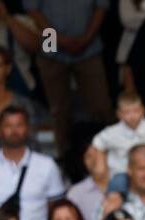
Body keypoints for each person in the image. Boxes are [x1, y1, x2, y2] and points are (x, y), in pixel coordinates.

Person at [24, 0, 112, 158]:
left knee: (101, 106)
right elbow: (32, 10)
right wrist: (58, 39)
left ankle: (108, 155)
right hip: (49, 43)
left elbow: (102, 7)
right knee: (53, 109)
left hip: (88, 43)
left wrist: (87, 38)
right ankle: (53, 160)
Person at [90, 91, 145, 181]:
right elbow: (98, 143)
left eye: (136, 111)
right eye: (127, 112)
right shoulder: (111, 132)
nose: (132, 116)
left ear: (143, 110)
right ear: (119, 114)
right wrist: (100, 164)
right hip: (122, 174)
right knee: (114, 194)